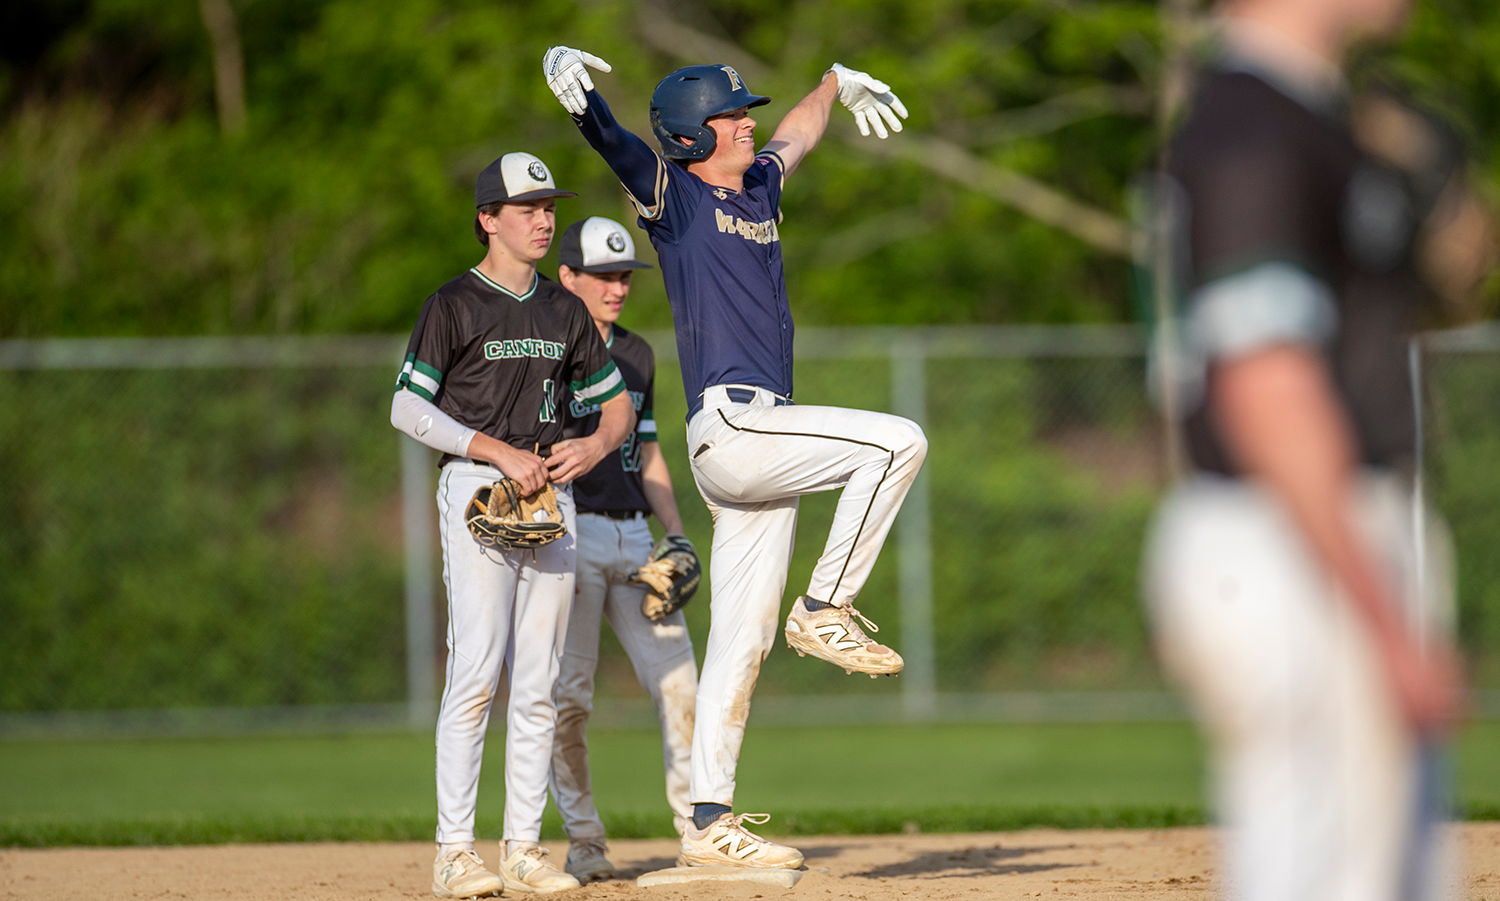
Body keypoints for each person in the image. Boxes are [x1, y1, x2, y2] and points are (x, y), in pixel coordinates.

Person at [541, 48, 927, 870]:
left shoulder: (758, 186)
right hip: (735, 429)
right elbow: (615, 143)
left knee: (741, 642)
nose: (747, 120)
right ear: (690, 135)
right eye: (730, 113)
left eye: (745, 109)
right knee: (899, 439)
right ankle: (826, 606)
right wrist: (579, 102)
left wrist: (834, 83)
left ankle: (709, 821)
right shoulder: (674, 197)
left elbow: (798, 135)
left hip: (764, 445)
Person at [1142, 0, 1492, 898]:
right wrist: (1384, 615)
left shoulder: (1315, 118)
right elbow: (1269, 390)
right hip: (1293, 536)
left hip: (1312, 527)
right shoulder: (1252, 130)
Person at [389, 152, 636, 898]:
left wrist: (594, 443)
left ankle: (524, 848)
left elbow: (615, 402)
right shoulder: (454, 303)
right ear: (487, 218)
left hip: (550, 495)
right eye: (526, 206)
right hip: (478, 488)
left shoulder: (565, 312)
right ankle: (455, 852)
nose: (543, 218)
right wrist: (493, 449)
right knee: (476, 671)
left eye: (549, 205)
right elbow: (407, 406)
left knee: (538, 681)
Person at [546, 216, 699, 881]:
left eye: (624, 276)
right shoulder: (544, 349)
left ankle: (700, 831)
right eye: (603, 276)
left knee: (681, 684)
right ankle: (584, 840)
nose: (617, 287)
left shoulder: (637, 353)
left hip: (635, 534)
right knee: (569, 698)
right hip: (569, 533)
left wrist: (677, 531)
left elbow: (651, 449)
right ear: (567, 277)